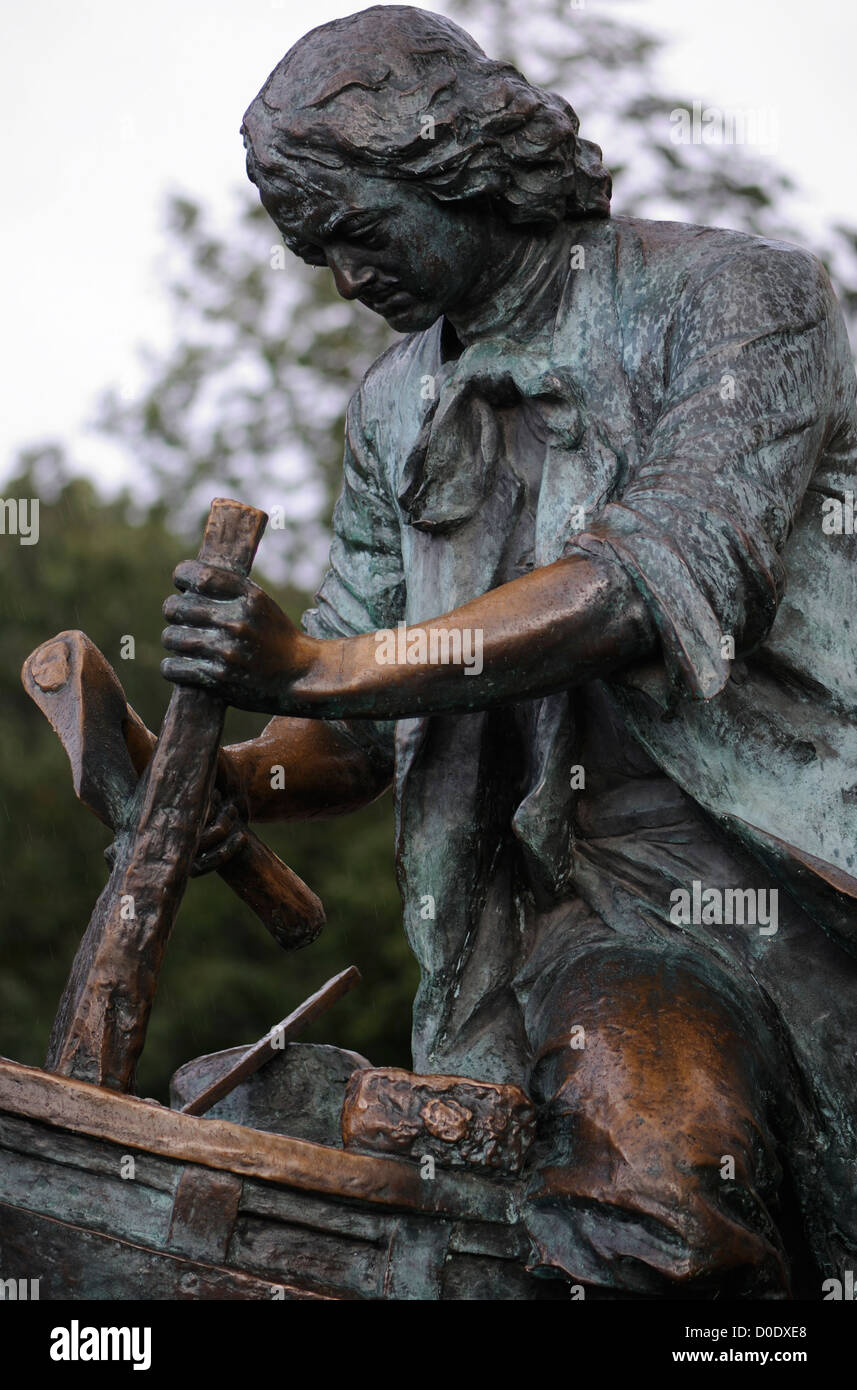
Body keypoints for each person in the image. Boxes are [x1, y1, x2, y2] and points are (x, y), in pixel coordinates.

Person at [161, 6, 857, 1297]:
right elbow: (357, 721)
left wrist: (313, 664)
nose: (346, 281)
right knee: (648, 1204)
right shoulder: (389, 405)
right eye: (317, 253)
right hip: (573, 918)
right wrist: (231, 778)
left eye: (360, 233)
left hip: (790, 875)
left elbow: (648, 582)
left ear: (461, 165)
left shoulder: (740, 296)